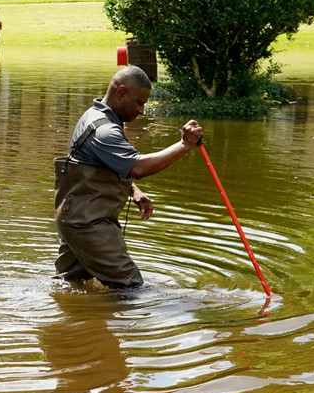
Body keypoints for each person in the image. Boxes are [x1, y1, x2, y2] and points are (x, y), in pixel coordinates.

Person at [53, 65, 204, 288]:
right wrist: (185, 144)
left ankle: (68, 318)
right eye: (139, 103)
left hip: (73, 218)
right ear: (121, 92)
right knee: (130, 286)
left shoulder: (95, 117)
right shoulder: (104, 130)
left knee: (70, 283)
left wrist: (134, 191)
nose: (141, 110)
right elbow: (138, 168)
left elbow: (107, 166)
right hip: (88, 224)